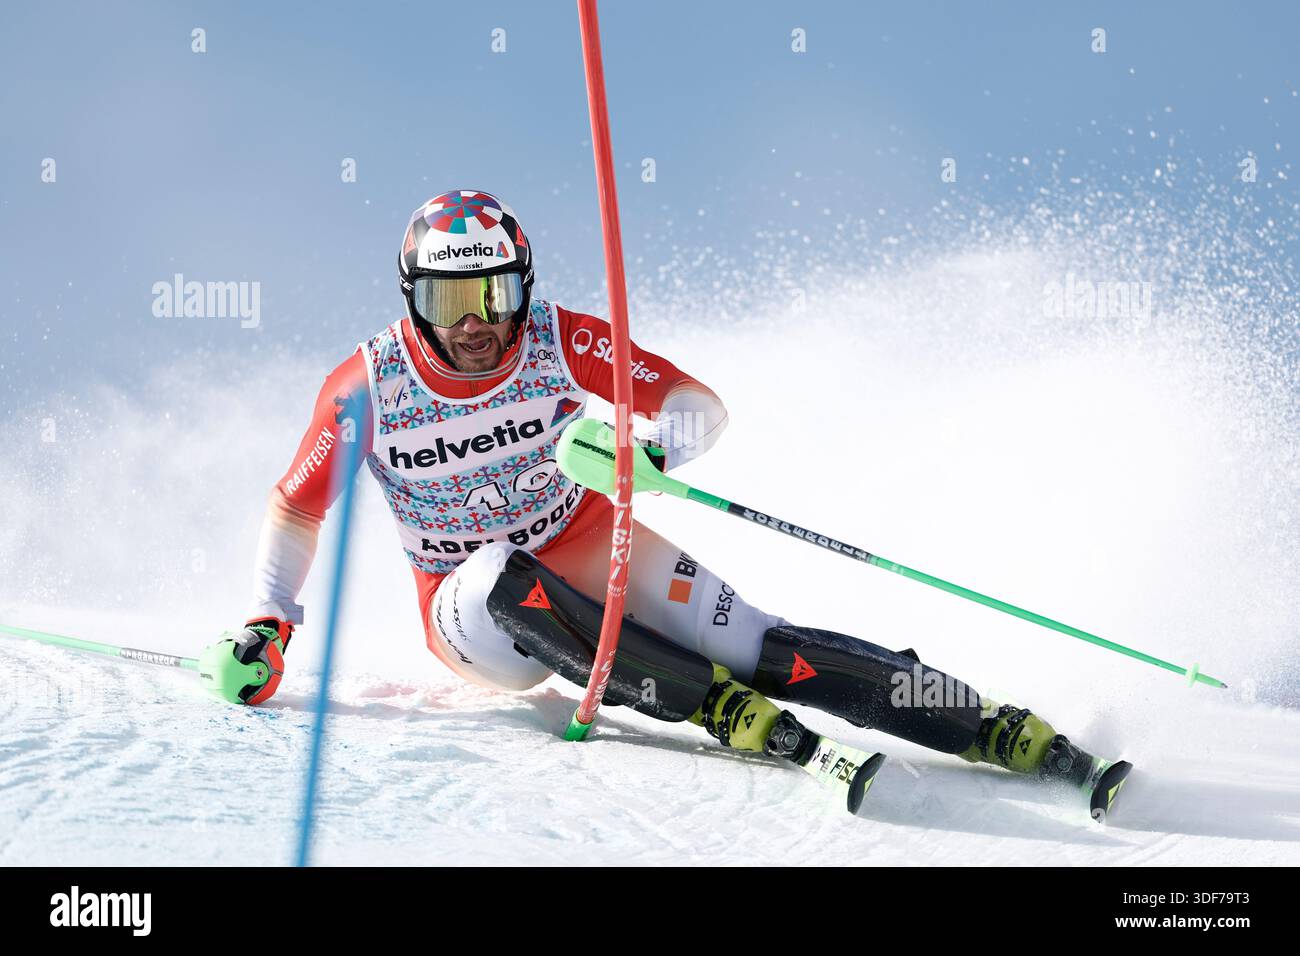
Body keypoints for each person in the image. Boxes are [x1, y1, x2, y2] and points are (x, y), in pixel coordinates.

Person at [216, 189, 1129, 816]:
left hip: (582, 536)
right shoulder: (366, 387)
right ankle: (719, 711)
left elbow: (700, 408)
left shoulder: (559, 338)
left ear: (520, 285)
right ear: (413, 299)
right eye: (449, 298)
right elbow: (298, 508)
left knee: (752, 638)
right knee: (499, 571)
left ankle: (996, 729)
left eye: (492, 292)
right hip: (473, 613)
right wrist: (268, 621)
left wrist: (645, 448)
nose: (475, 322)